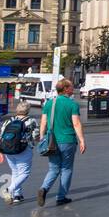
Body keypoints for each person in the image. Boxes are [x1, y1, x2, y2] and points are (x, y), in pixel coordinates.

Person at [37, 78, 85, 207]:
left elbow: (43, 122)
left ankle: (44, 188)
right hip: (68, 140)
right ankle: (61, 196)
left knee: (53, 168)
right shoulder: (72, 104)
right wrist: (82, 140)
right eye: (71, 87)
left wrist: (42, 137)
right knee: (66, 168)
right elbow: (76, 123)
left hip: (52, 141)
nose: (73, 88)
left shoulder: (49, 103)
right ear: (65, 89)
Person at [0, 100, 39, 204]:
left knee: (15, 172)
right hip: (23, 149)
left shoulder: (8, 121)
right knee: (24, 173)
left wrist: (0, 151)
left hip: (8, 150)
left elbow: (2, 136)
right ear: (28, 110)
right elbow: (35, 136)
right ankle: (9, 189)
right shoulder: (31, 121)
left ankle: (17, 195)